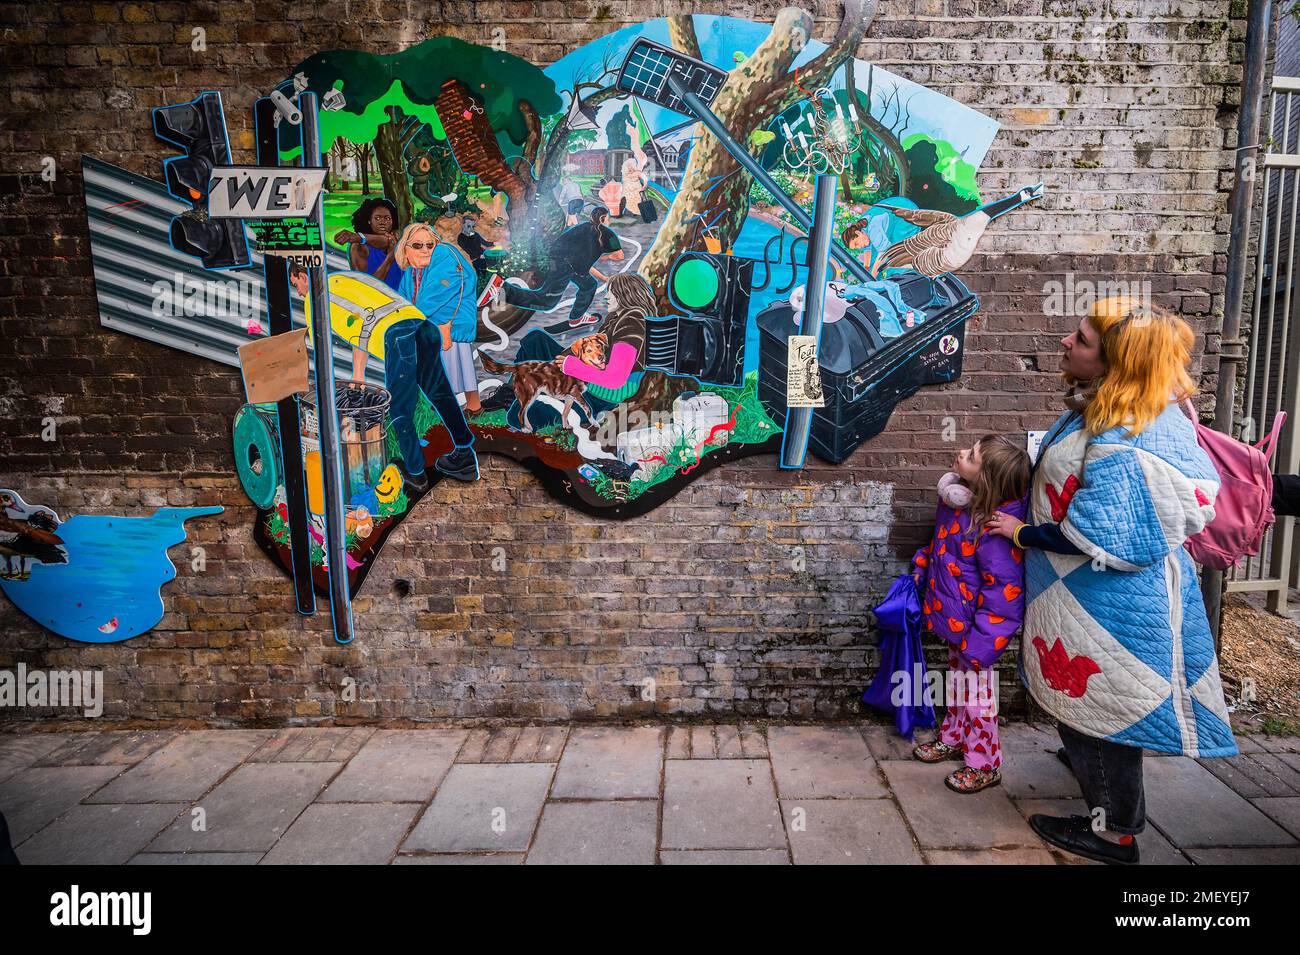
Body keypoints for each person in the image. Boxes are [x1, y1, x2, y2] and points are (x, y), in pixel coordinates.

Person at [985, 295, 1236, 865]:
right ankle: (1095, 779)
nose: (1065, 345)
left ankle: (1114, 831)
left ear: (1115, 364)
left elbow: (1099, 534)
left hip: (1104, 602)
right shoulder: (1116, 411)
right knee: (1093, 701)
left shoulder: (1126, 438)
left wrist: (1020, 535)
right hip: (1084, 597)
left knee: (1105, 708)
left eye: (1081, 341)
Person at [288, 252, 478, 491]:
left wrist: (306, 385)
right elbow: (362, 328)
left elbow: (318, 351)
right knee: (440, 393)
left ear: (302, 276)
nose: (298, 292)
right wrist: (358, 373)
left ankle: (416, 474)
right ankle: (465, 455)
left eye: (296, 285)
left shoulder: (314, 299)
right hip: (423, 326)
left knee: (400, 408)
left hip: (398, 335)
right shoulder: (345, 280)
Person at [909, 435, 1030, 794]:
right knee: (958, 686)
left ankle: (985, 763)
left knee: (979, 700)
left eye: (972, 455)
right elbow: (941, 547)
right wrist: (921, 567)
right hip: (955, 621)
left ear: (986, 479)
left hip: (978, 633)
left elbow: (1003, 596)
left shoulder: (994, 530)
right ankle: (954, 736)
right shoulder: (956, 506)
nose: (961, 452)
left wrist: (982, 642)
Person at [396, 221, 484, 417]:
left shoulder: (444, 256)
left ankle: (456, 409)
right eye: (418, 245)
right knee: (458, 368)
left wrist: (416, 319)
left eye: (429, 244)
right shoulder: (410, 273)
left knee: (450, 369)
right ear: (406, 249)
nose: (425, 250)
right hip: (434, 326)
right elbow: (403, 301)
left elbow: (440, 291)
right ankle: (469, 407)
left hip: (450, 323)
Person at [503, 206, 624, 327]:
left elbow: (583, 265)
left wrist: (603, 278)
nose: (609, 221)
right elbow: (619, 256)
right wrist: (606, 257)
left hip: (563, 261)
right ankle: (503, 291)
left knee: (589, 285)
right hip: (563, 265)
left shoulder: (582, 227)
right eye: (608, 219)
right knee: (547, 302)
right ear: (603, 219)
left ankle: (576, 318)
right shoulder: (609, 235)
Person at [333, 197, 403, 291]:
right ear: (369, 220)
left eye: (387, 218)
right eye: (377, 218)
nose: (382, 222)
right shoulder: (358, 247)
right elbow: (367, 286)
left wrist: (359, 237)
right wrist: (389, 260)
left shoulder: (396, 237)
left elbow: (386, 241)